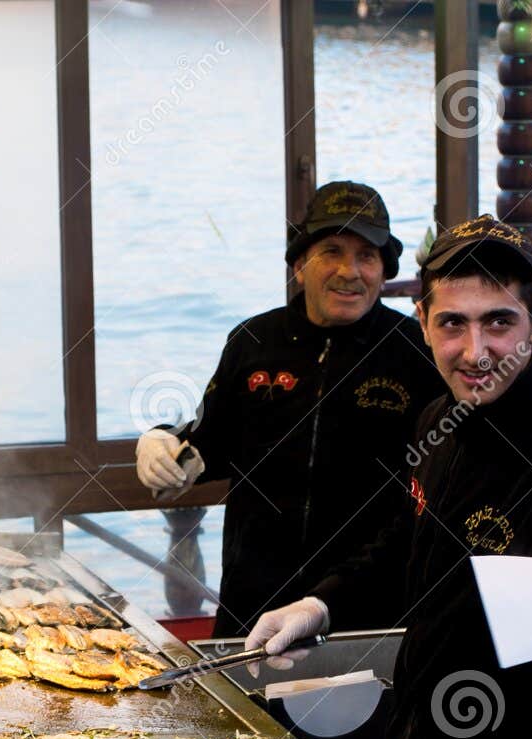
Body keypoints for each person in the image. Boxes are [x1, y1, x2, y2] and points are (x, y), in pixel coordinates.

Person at [245, 217, 532, 739]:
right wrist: (319, 605)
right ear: (423, 322)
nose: (476, 353)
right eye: (453, 324)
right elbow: (407, 539)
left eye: (499, 321)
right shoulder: (437, 421)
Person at [134, 181, 446, 638]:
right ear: (300, 264)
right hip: (253, 606)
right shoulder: (253, 341)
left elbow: (438, 480)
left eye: (367, 256)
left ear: (384, 271)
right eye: (332, 251)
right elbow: (210, 443)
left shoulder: (417, 353)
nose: (350, 271)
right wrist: (161, 441)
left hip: (365, 613)